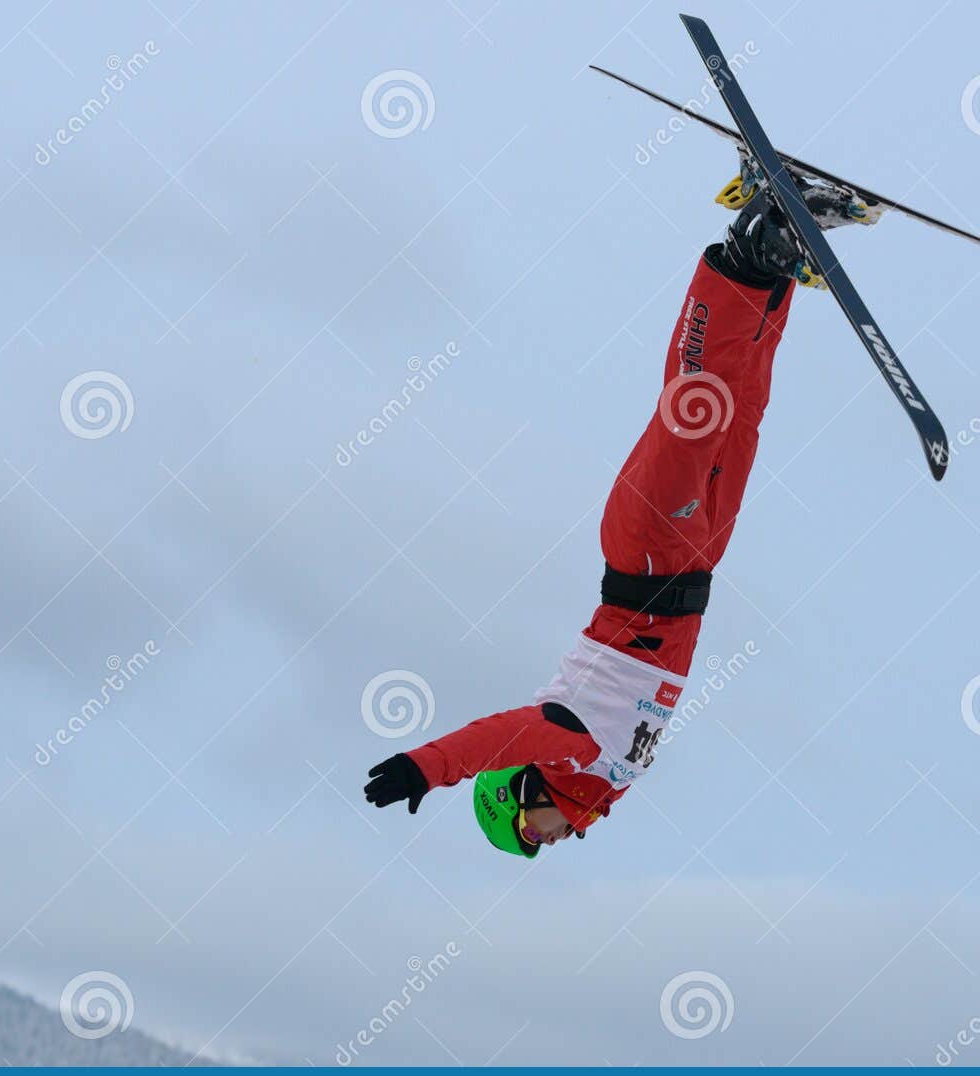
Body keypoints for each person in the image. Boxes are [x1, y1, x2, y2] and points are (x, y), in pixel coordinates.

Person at [363, 177, 881, 856]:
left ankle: (745, 253)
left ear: (517, 795)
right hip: (695, 564)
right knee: (744, 413)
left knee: (698, 406)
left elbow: (502, 735)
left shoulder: (566, 751)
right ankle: (779, 263)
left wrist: (425, 767)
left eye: (529, 834)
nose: (549, 839)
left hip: (647, 550)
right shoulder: (602, 785)